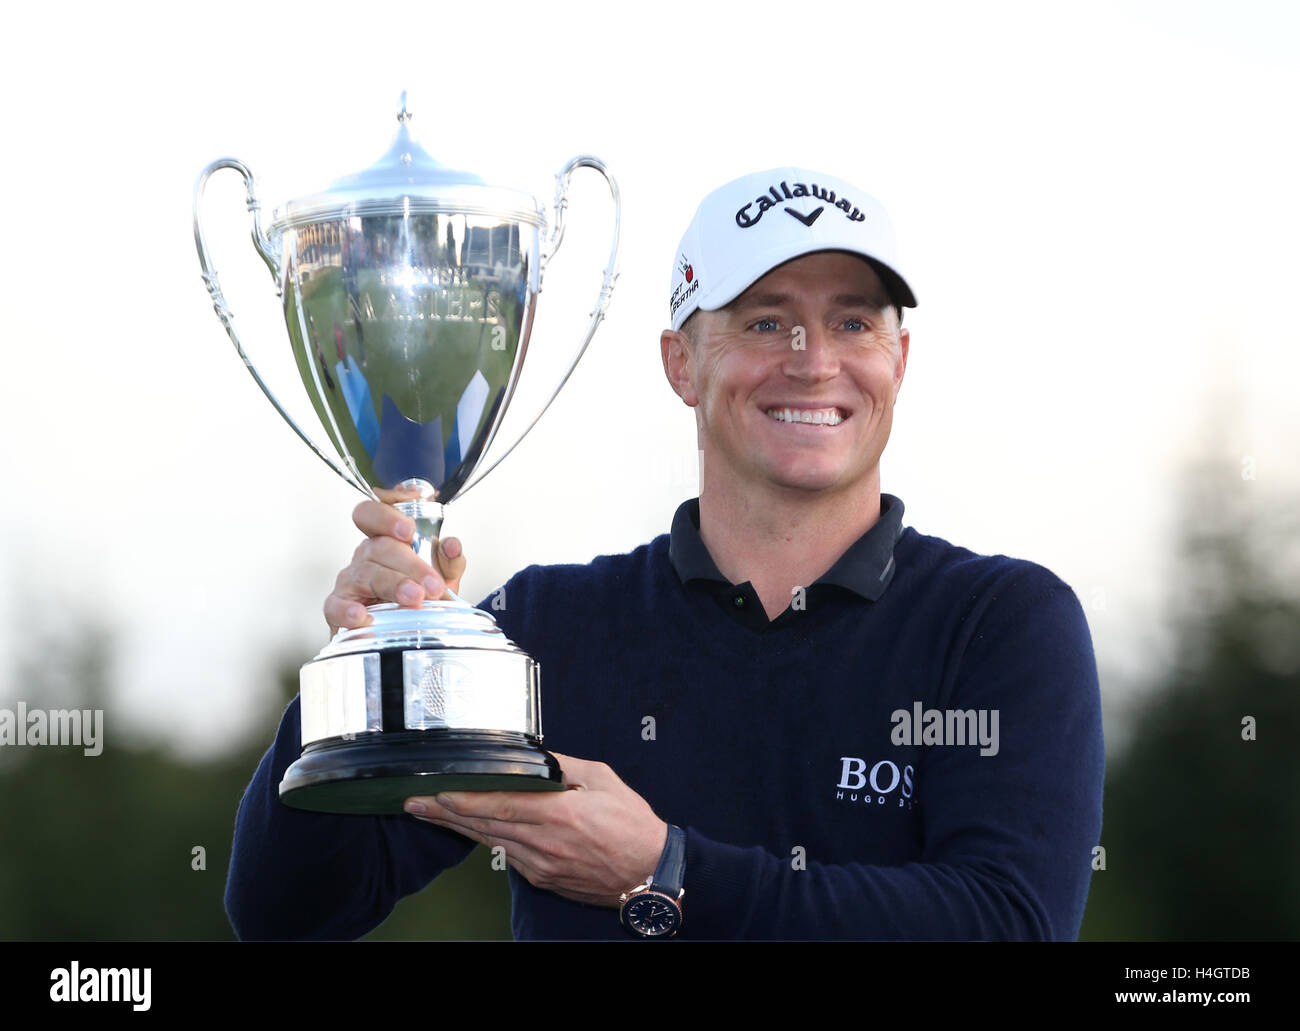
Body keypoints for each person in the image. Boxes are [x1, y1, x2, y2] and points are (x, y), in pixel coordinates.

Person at [225, 167, 1104, 940]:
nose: (812, 361)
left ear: (899, 359)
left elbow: (1009, 921)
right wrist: (366, 659)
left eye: (853, 323)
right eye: (765, 322)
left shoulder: (1001, 626)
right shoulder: (543, 628)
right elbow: (288, 909)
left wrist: (668, 872)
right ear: (681, 362)